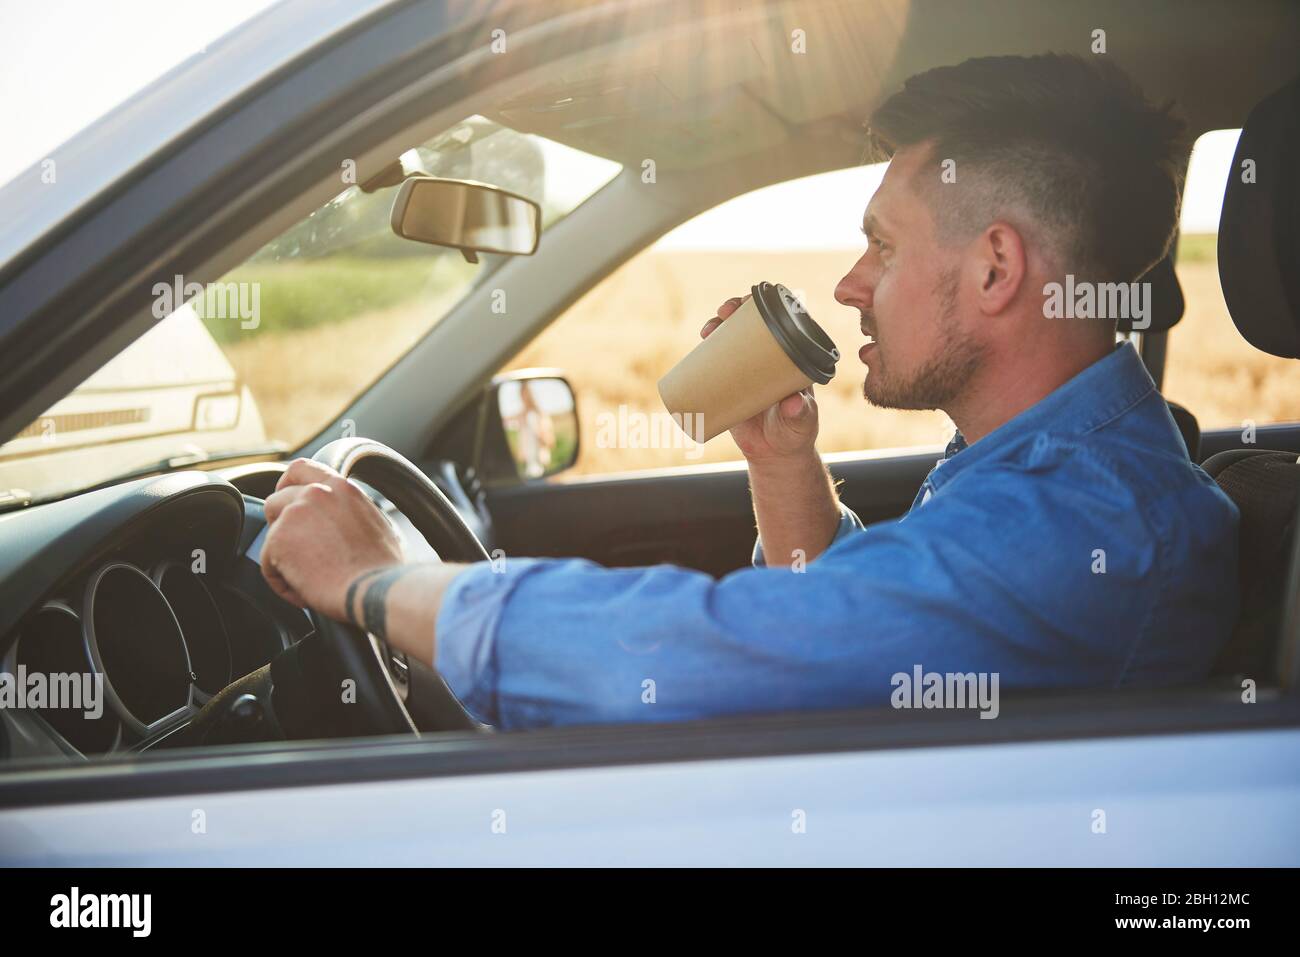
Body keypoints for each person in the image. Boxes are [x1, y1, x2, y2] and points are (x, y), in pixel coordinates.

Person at [260, 54, 1239, 729]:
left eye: (882, 246)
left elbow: (708, 658)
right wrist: (781, 462)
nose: (852, 283)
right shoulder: (1040, 479)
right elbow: (858, 618)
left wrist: (377, 578)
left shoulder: (1088, 525)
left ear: (995, 270)